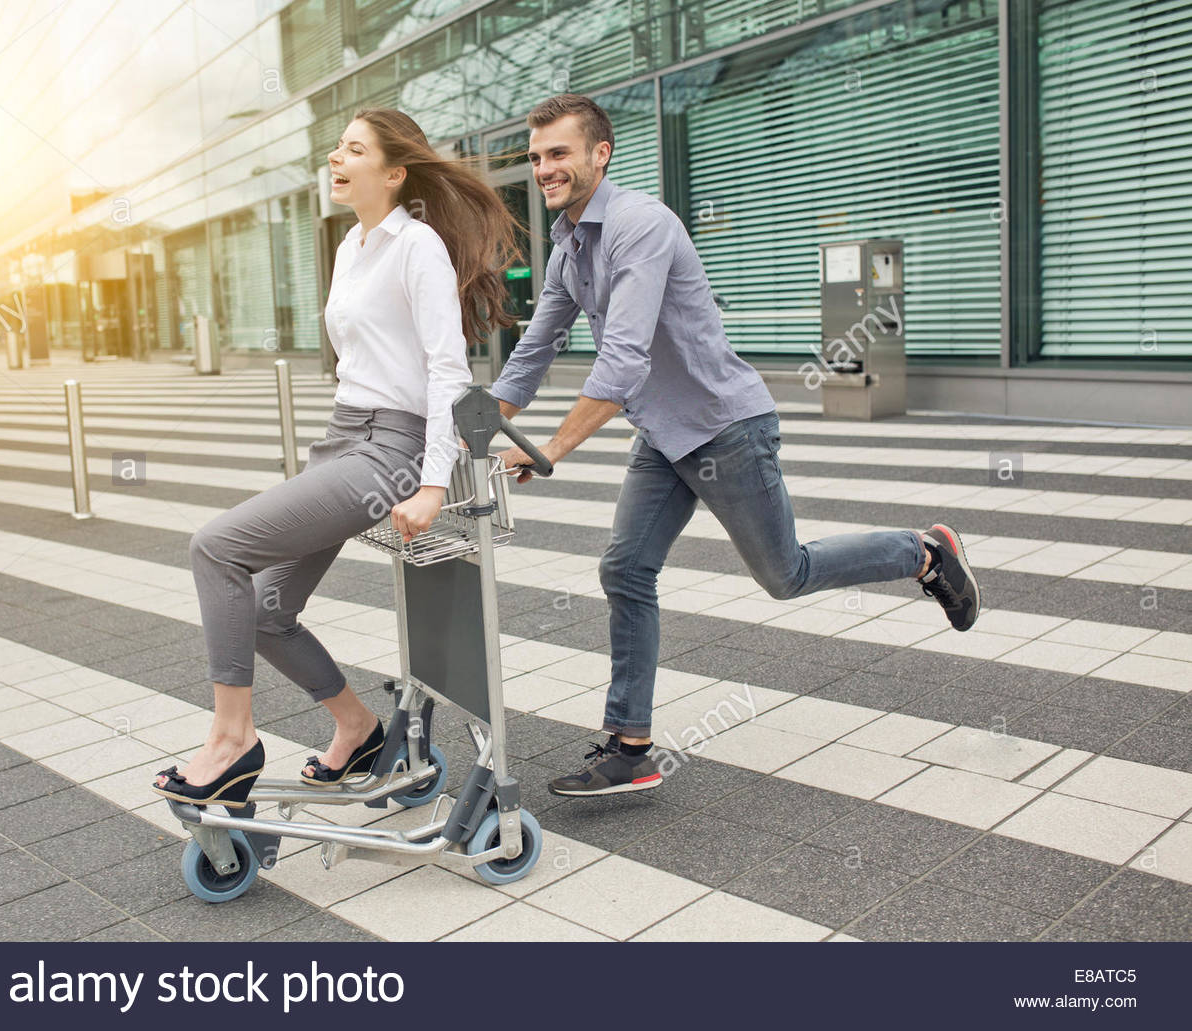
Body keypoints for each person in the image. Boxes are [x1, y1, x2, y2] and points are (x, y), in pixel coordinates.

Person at [492, 94, 981, 798]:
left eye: (558, 153)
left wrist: (550, 449)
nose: (544, 169)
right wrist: (479, 424)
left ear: (600, 152)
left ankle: (925, 552)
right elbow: (534, 349)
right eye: (536, 158)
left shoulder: (642, 227)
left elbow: (623, 358)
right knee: (625, 570)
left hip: (727, 428)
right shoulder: (571, 247)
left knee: (786, 574)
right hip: (662, 435)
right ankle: (630, 746)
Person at [153, 108, 519, 806]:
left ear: (393, 171)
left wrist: (434, 483)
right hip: (343, 439)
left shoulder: (418, 248)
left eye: (354, 149)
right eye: (335, 148)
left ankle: (232, 740)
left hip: (392, 451)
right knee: (264, 608)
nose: (335, 158)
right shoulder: (352, 246)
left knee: (215, 548)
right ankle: (358, 727)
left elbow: (449, 372)